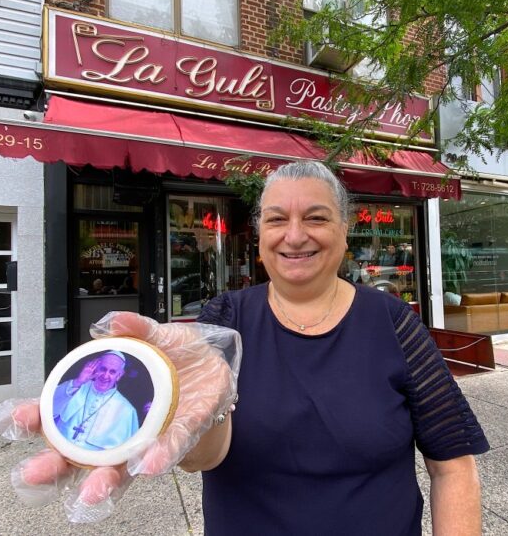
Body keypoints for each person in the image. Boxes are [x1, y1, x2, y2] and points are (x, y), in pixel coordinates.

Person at [187, 161, 489, 535]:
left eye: (316, 218)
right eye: (277, 220)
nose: (294, 236)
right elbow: (195, 458)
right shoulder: (224, 321)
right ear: (260, 233)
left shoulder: (395, 323)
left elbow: (453, 466)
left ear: (344, 231)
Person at [53, 351, 139, 451]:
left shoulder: (127, 410)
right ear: (96, 368)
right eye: (103, 369)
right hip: (59, 451)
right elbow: (49, 407)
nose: (105, 376)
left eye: (112, 372)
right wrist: (78, 382)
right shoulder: (75, 388)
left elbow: (127, 451)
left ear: (119, 375)